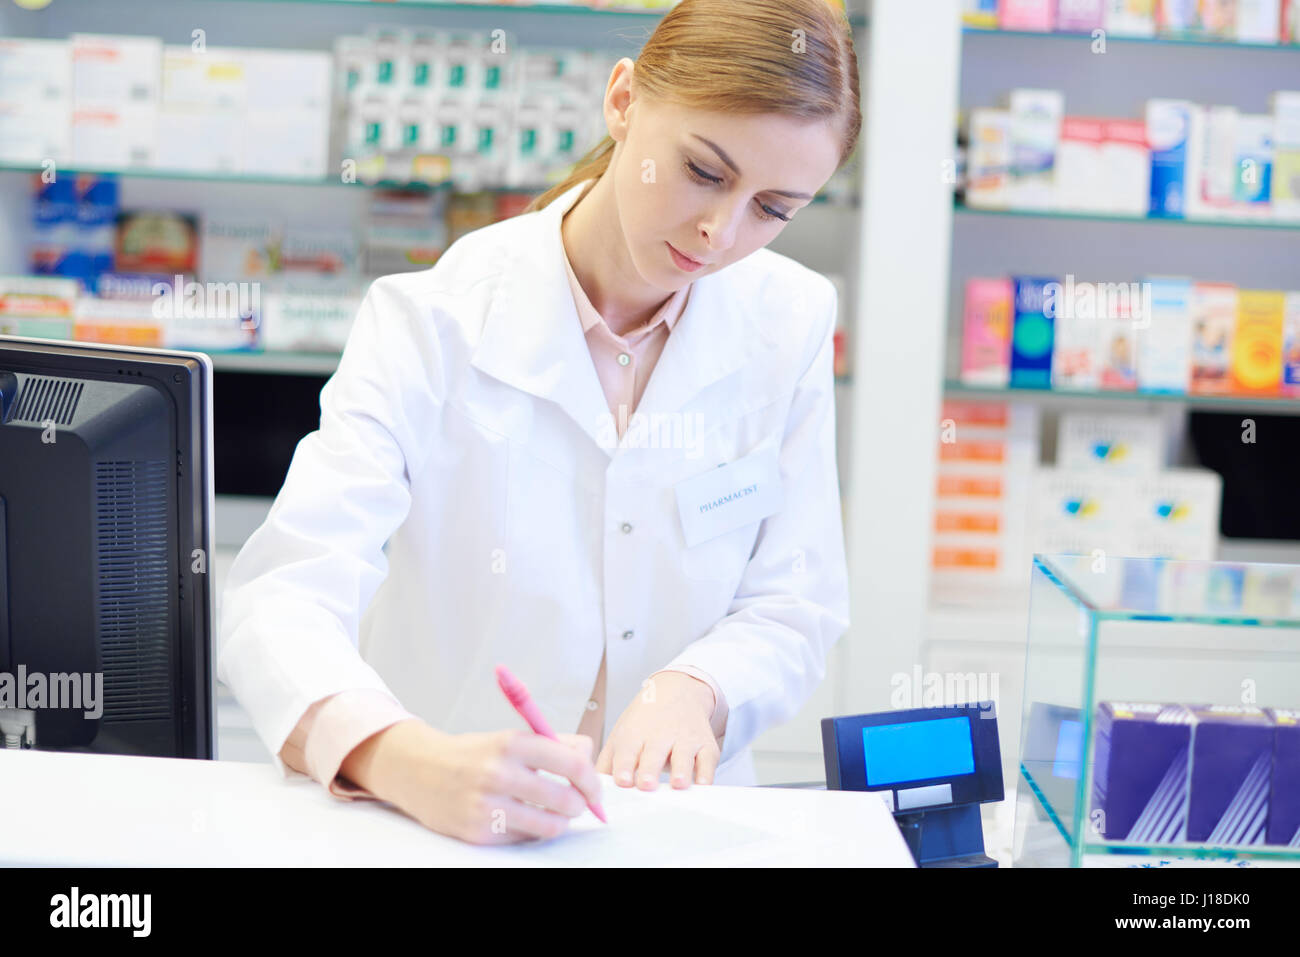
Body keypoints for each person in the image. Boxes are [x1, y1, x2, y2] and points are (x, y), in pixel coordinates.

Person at [217, 0, 862, 846]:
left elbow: (795, 598)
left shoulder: (791, 318)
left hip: (667, 826)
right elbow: (283, 597)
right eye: (704, 171)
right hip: (440, 827)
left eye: (773, 209)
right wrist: (399, 755)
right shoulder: (431, 320)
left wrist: (695, 685)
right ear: (624, 101)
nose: (720, 230)